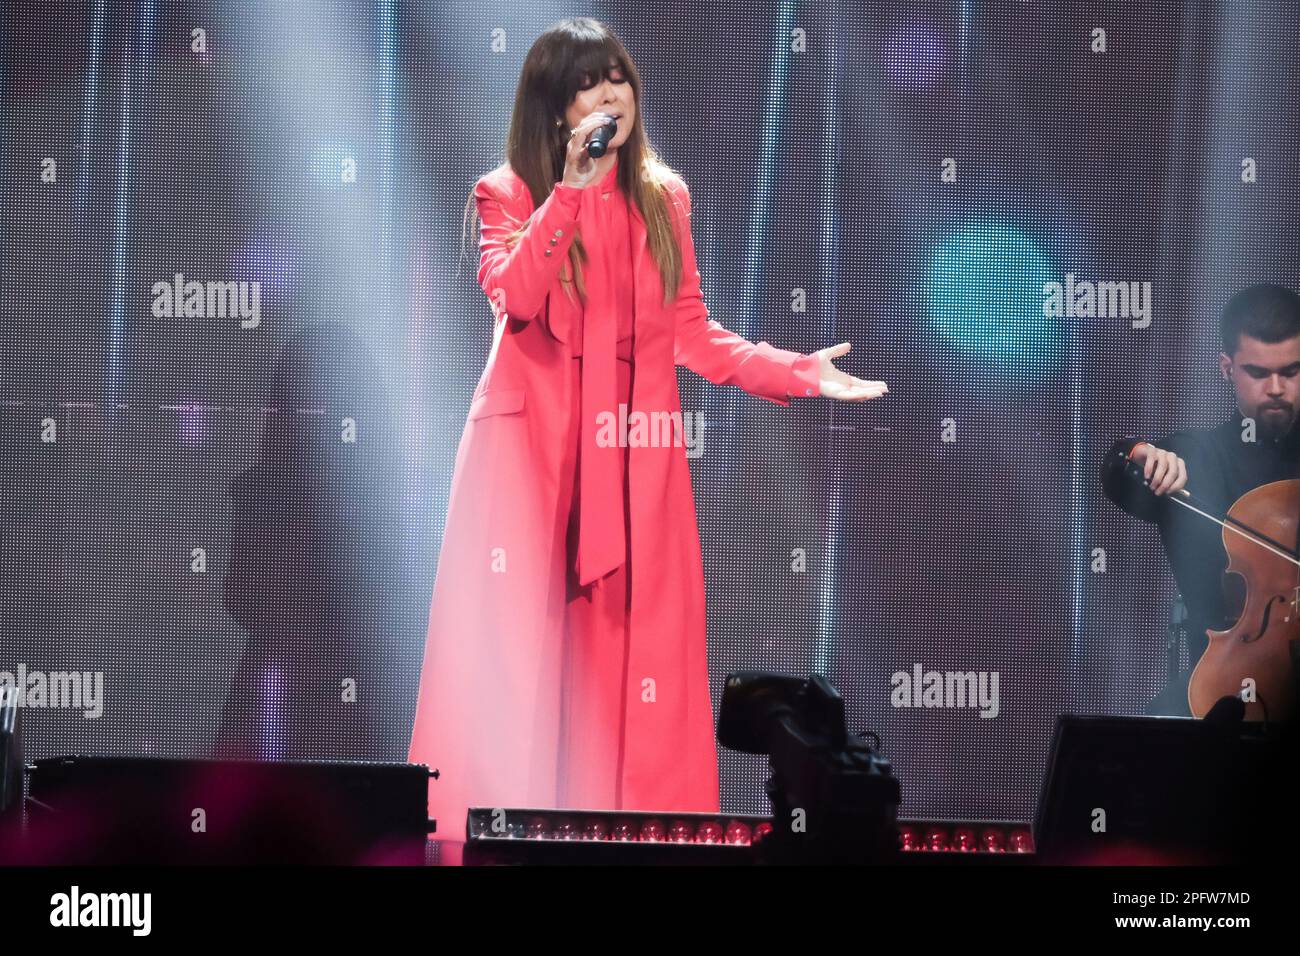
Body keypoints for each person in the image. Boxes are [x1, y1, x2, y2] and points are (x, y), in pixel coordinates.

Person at [407, 17, 887, 864]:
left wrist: (798, 371)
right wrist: (572, 192)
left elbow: (691, 335)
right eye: (589, 85)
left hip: (635, 463)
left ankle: (641, 841)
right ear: (555, 111)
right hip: (528, 468)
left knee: (638, 661)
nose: (609, 97)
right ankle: (490, 844)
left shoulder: (665, 197)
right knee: (520, 668)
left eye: (618, 80)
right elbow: (516, 297)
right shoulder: (507, 192)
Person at [1100, 283, 1300, 716]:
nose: (1277, 388)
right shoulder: (1199, 458)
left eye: (1291, 371)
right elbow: (1116, 472)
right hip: (1224, 690)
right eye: (1258, 372)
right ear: (1227, 368)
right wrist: (1138, 454)